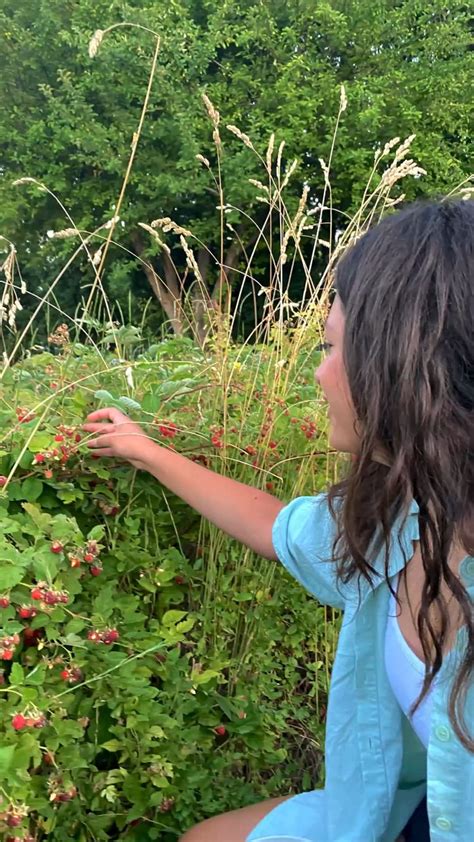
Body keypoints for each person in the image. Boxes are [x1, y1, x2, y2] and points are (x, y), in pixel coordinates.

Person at [82, 198, 474, 842]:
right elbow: (275, 526)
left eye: (329, 348)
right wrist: (148, 453)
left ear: (405, 367)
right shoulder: (403, 515)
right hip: (403, 810)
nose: (317, 374)